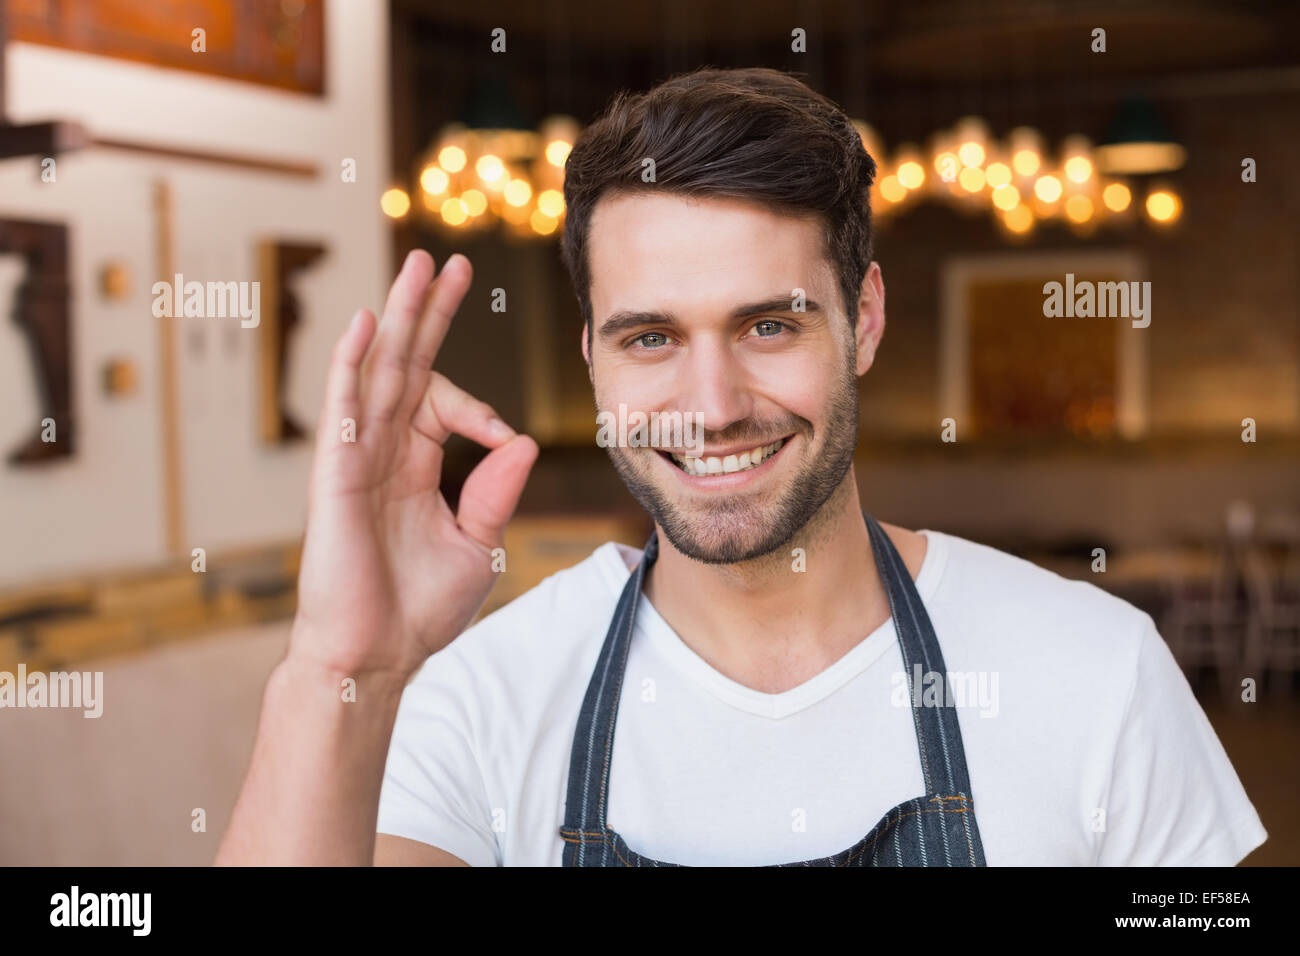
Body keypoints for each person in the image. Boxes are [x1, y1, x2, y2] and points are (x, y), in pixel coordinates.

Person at [216, 68, 1267, 866]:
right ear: (591, 358)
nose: (712, 408)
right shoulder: (479, 700)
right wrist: (338, 668)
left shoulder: (1095, 673)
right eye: (650, 338)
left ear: (862, 320)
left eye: (768, 324)